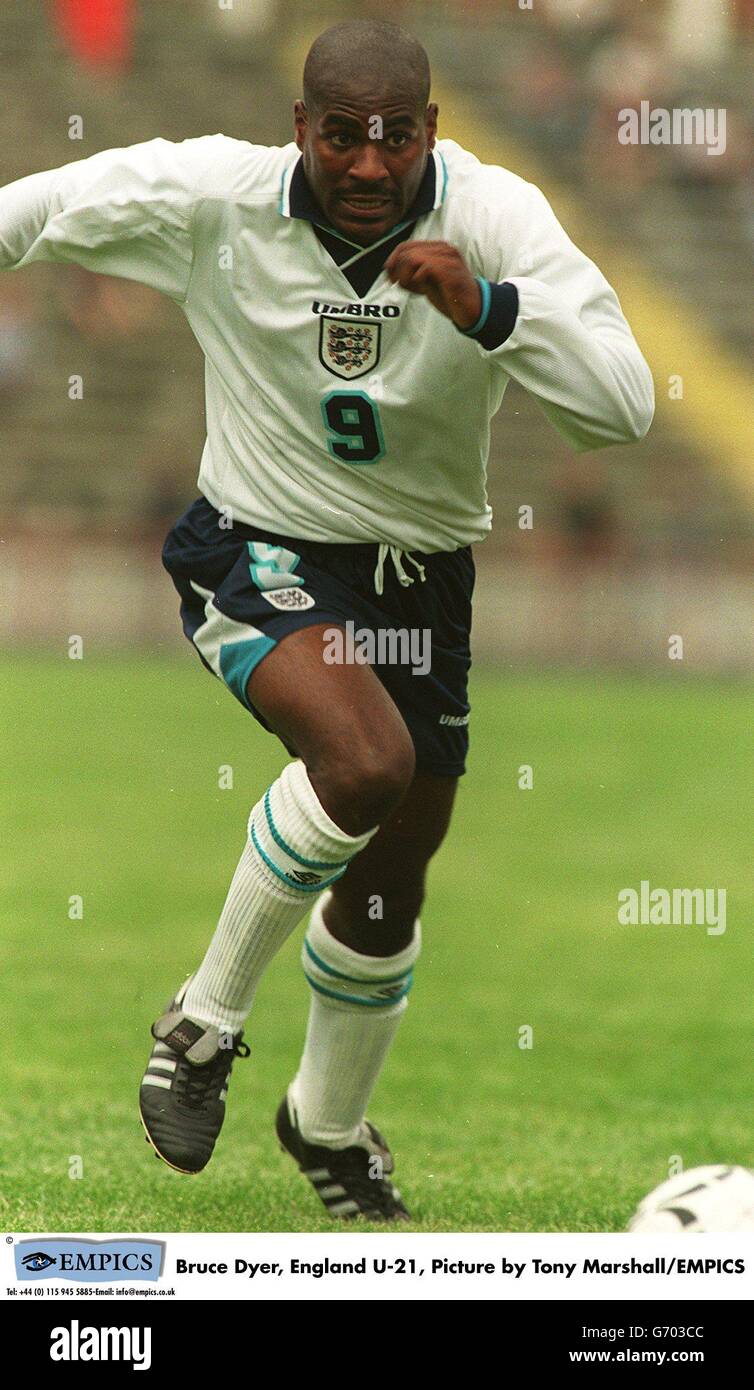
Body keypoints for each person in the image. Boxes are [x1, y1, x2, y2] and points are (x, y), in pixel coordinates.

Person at [0, 19, 653, 1221]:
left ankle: (329, 1130)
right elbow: (33, 209)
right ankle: (201, 1022)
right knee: (363, 762)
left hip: (424, 578)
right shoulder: (213, 196)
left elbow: (624, 408)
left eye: (393, 136)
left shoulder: (499, 217)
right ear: (298, 127)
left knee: (389, 880)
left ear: (430, 132)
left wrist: (492, 308)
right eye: (341, 133)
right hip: (258, 547)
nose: (366, 162)